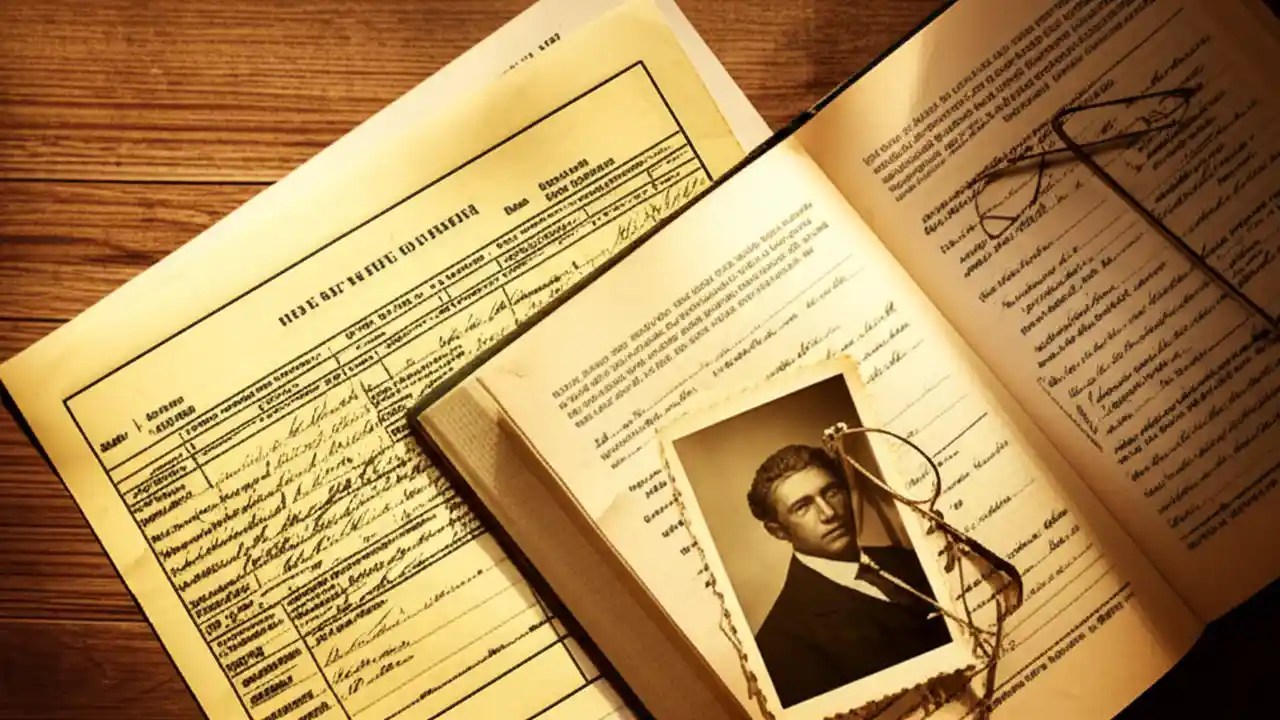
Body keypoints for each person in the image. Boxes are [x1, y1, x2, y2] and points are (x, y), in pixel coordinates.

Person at [747, 444, 949, 708]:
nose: (829, 513)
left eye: (831, 492)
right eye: (802, 507)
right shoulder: (780, 645)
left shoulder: (909, 558)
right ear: (778, 531)